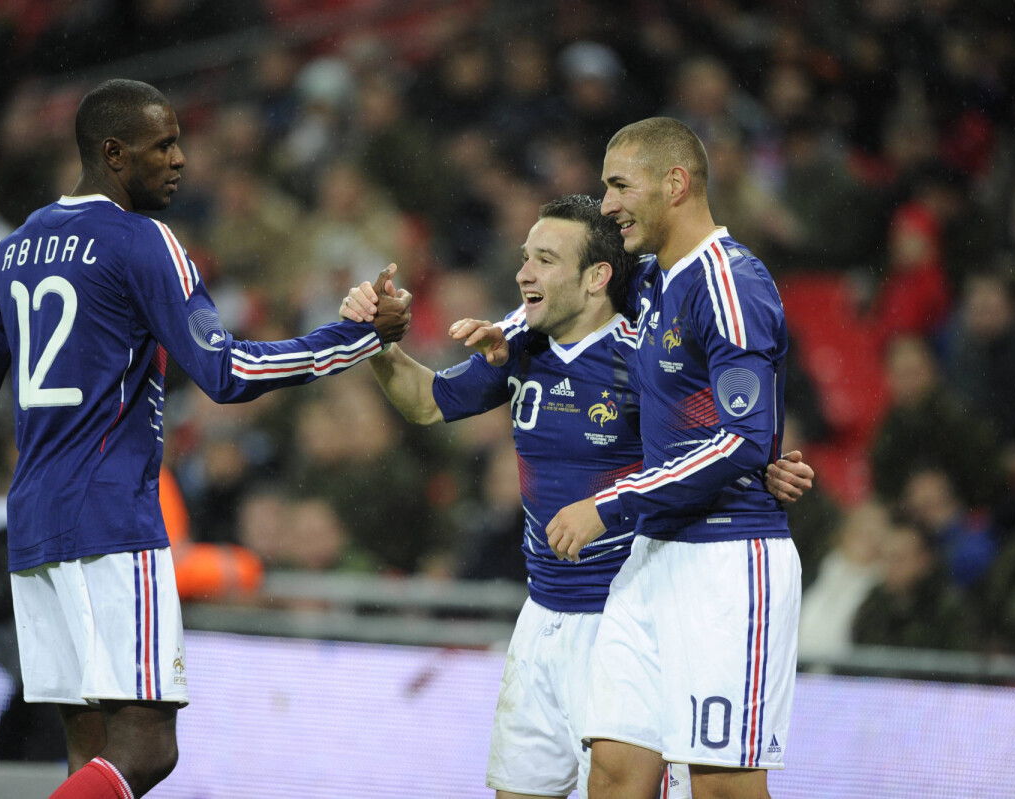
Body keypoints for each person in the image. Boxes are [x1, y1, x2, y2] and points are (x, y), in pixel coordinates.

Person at [0, 79, 411, 799]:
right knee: (147, 749)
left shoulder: (15, 249)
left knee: (91, 752)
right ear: (114, 153)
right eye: (164, 145)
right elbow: (227, 372)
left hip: (34, 528)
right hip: (112, 521)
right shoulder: (141, 240)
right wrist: (355, 336)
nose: (181, 160)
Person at [340, 193, 813, 799]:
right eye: (525, 257)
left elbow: (718, 440)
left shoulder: (645, 357)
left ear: (596, 277)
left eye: (545, 260)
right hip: (540, 615)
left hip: (622, 617)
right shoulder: (521, 341)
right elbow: (427, 402)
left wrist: (765, 468)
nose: (523, 273)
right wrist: (378, 341)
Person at [544, 118, 801, 799]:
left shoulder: (731, 283)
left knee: (721, 788)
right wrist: (502, 335)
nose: (606, 205)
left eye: (619, 186)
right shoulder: (651, 279)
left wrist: (609, 504)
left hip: (727, 561)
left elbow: (741, 438)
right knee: (614, 773)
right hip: (652, 558)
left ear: (676, 184)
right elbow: (566, 292)